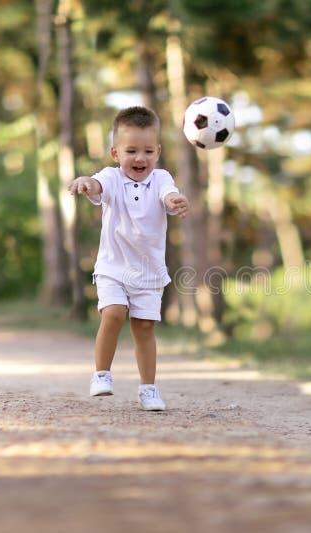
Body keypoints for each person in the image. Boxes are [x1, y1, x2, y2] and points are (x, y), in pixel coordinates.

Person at [68, 106, 189, 411]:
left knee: (145, 327)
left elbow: (168, 196)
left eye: (148, 151)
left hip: (148, 271)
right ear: (115, 152)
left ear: (158, 152)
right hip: (113, 266)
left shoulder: (161, 179)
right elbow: (98, 186)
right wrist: (86, 182)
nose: (140, 158)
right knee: (113, 313)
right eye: (131, 150)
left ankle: (148, 389)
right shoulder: (110, 177)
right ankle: (101, 374)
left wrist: (175, 201)